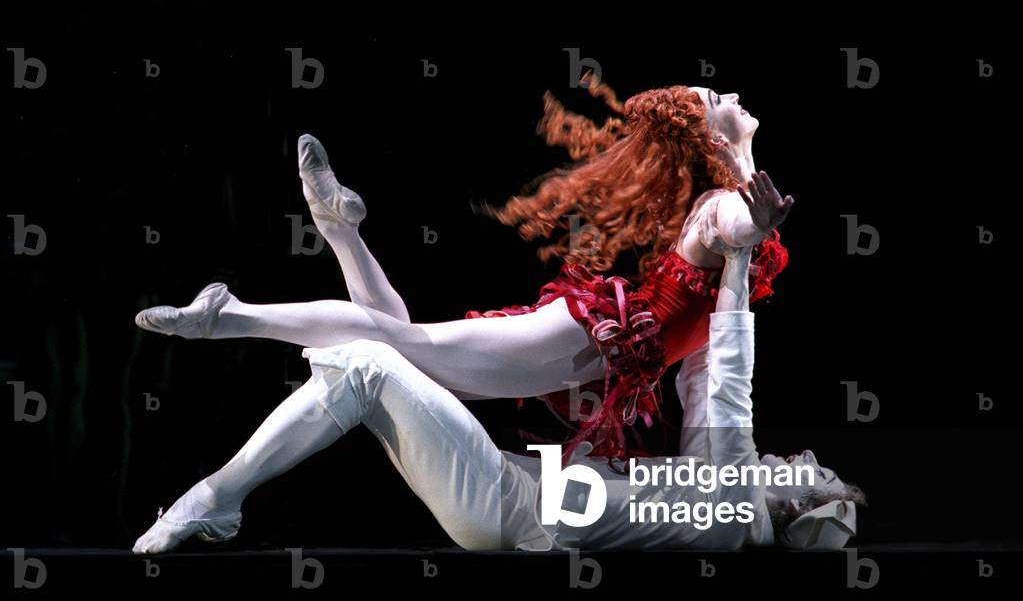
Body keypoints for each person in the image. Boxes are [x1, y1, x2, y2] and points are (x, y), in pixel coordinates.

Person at [135, 76, 791, 462]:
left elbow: (727, 273)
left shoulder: (729, 193)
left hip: (586, 341)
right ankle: (227, 316)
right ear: (709, 136)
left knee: (400, 348)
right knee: (396, 343)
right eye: (717, 95)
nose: (731, 91)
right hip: (584, 338)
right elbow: (735, 230)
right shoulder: (723, 208)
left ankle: (339, 229)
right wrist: (754, 226)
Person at [132, 226, 863, 554]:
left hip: (508, 508)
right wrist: (725, 278)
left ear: (799, 505)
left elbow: (729, 391)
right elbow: (708, 378)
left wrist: (738, 265)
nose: (800, 455)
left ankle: (216, 492)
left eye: (813, 472)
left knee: (373, 358)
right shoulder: (719, 498)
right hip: (507, 491)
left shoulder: (737, 511)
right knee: (388, 356)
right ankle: (343, 240)